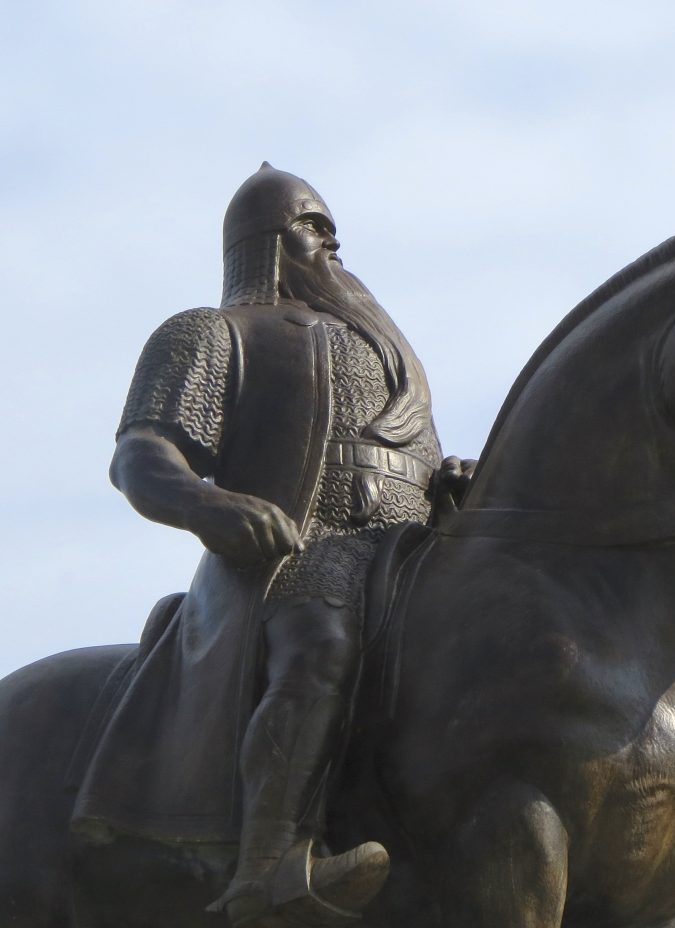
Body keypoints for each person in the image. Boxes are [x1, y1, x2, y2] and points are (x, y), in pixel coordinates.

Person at [73, 164, 457, 928]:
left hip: (406, 555)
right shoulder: (211, 333)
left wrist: (455, 486)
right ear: (265, 242)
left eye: (332, 231)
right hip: (293, 558)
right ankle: (272, 864)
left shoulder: (390, 356)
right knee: (319, 639)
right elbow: (142, 456)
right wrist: (209, 504)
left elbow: (412, 464)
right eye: (314, 227)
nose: (332, 245)